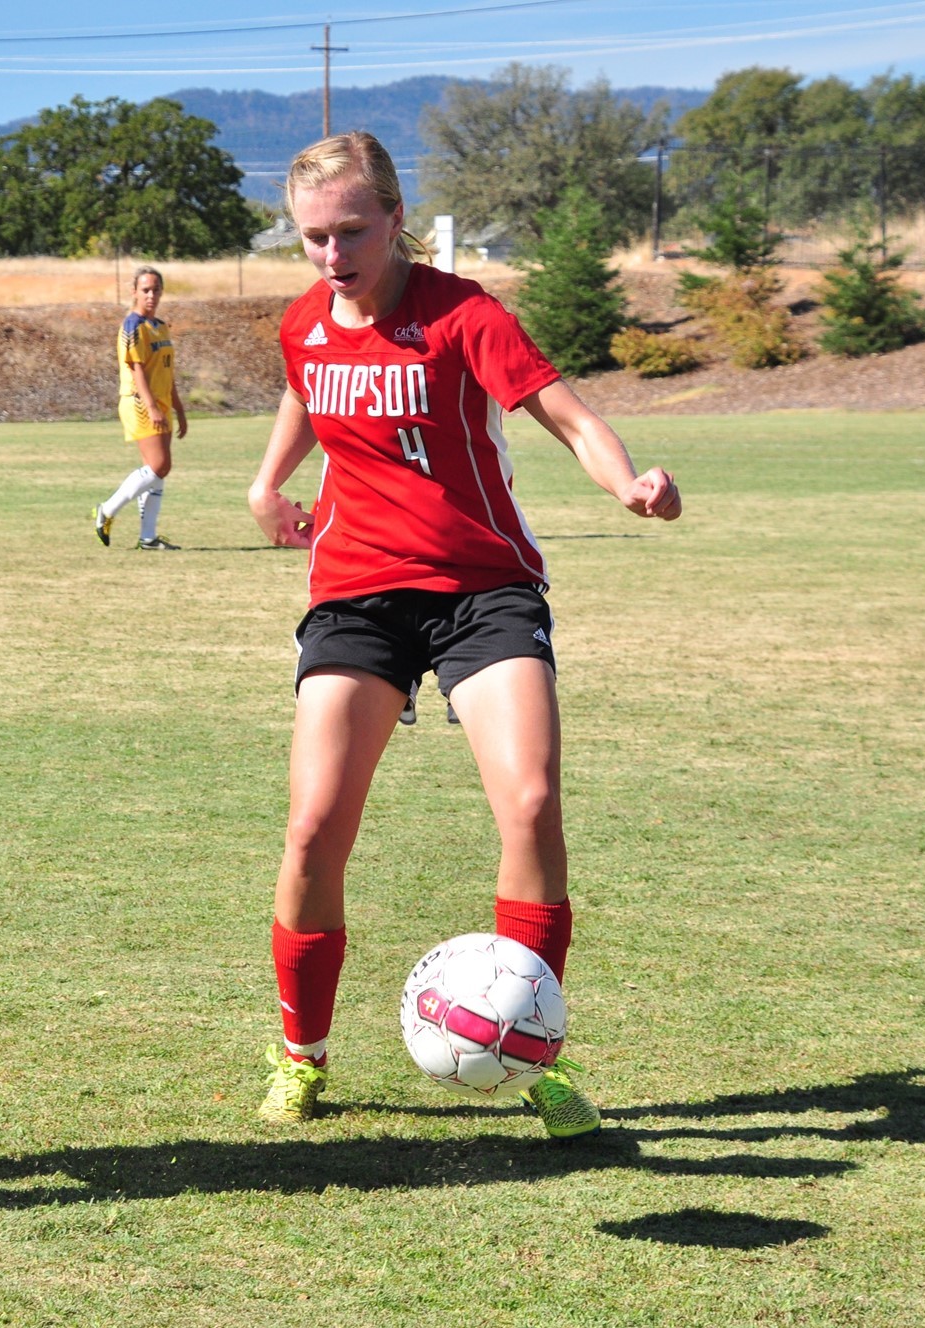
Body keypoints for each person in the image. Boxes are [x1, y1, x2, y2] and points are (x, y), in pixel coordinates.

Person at [246, 133, 681, 1133]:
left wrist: (626, 482)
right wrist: (268, 480)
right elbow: (304, 387)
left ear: (395, 219)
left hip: (481, 589)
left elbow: (563, 415)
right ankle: (299, 1054)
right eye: (311, 235)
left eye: (350, 230)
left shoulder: (462, 315)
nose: (328, 252)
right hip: (354, 593)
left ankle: (538, 1054)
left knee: (528, 803)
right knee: (313, 824)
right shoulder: (304, 321)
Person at [93, 266, 187, 551]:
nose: (151, 295)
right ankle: (107, 510)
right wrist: (152, 407)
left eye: (156, 289)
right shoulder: (132, 327)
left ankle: (148, 537)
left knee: (157, 470)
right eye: (145, 289)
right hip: (139, 402)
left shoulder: (161, 326)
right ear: (134, 292)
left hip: (161, 403)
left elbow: (166, 373)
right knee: (160, 465)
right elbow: (137, 371)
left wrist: (179, 408)